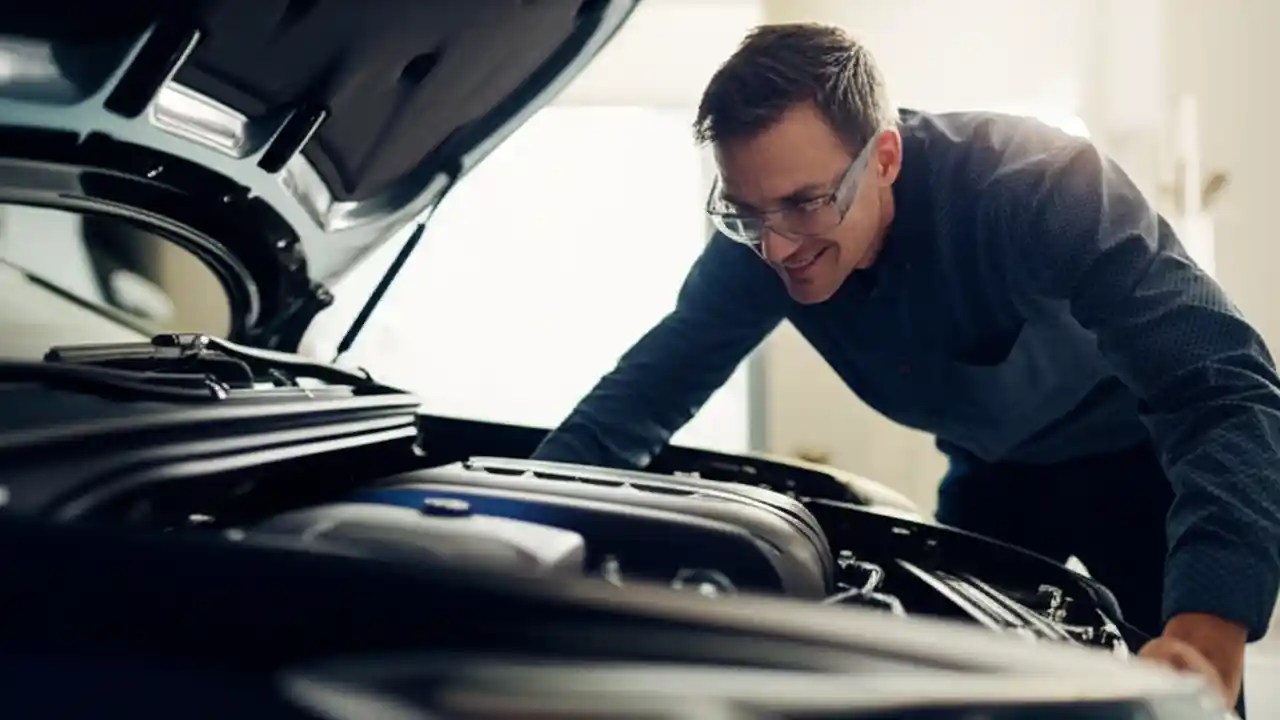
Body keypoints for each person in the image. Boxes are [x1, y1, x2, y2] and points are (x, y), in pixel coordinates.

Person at [532, 22, 1278, 712]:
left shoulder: (1037, 185)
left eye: (806, 203)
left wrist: (1208, 632)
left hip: (1140, 468)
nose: (778, 247)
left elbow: (1220, 384)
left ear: (884, 157)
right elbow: (642, 397)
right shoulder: (755, 246)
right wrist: (523, 517)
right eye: (747, 212)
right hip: (989, 476)